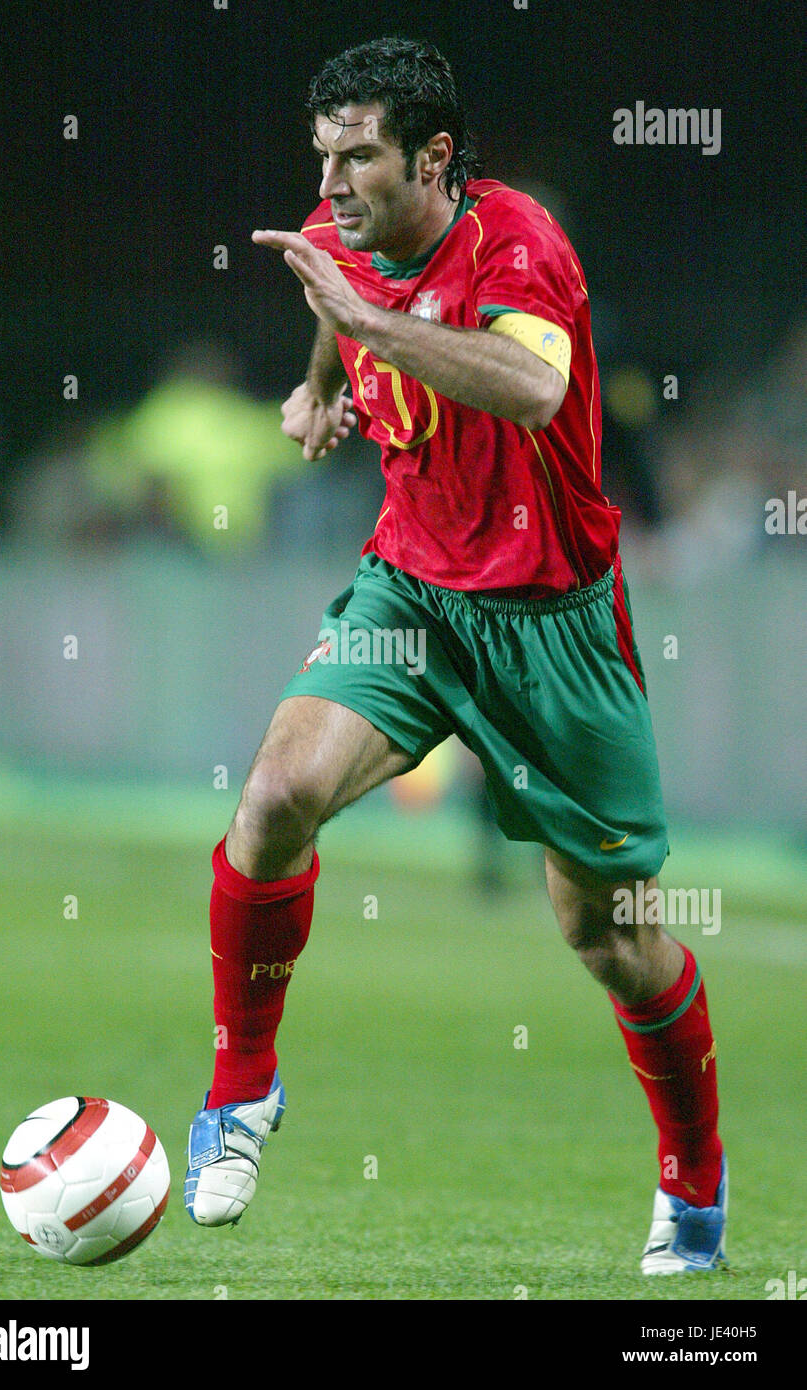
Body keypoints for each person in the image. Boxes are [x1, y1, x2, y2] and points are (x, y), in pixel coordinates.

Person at [184, 36, 726, 1275]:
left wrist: (363, 318)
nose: (331, 183)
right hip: (410, 595)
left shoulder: (519, 244)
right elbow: (345, 294)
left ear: (432, 156)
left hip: (553, 627)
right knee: (271, 800)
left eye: (358, 155)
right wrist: (323, 381)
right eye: (321, 154)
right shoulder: (351, 240)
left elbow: (528, 393)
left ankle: (691, 1178)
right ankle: (241, 1089)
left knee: (610, 940)